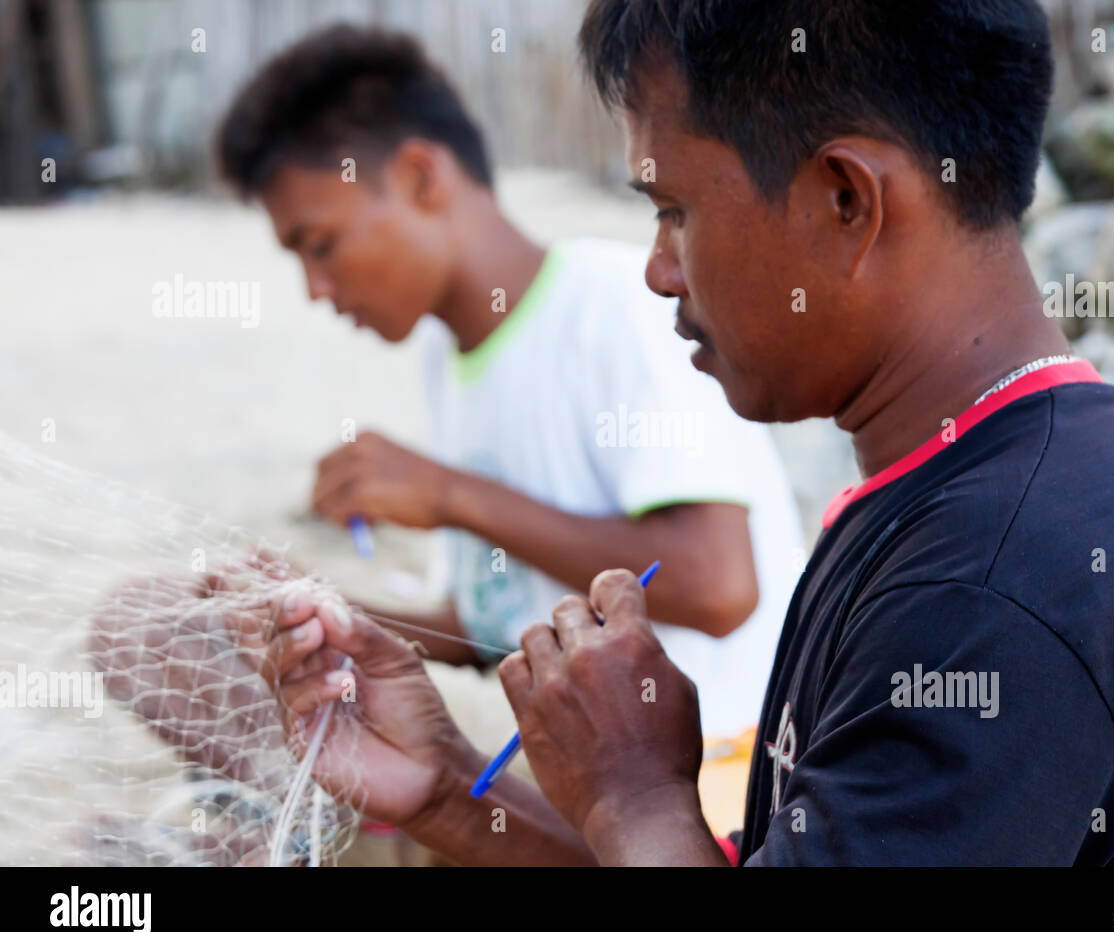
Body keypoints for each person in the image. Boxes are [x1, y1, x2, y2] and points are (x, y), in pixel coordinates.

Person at [262, 0, 1114, 865]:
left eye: (673, 208)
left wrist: (636, 792)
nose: (658, 268)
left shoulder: (988, 587)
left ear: (846, 201)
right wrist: (444, 786)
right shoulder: (999, 479)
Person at [213, 24, 804, 838]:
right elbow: (492, 619)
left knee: (147, 626)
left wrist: (453, 495)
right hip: (553, 743)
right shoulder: (450, 357)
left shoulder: (617, 304)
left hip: (701, 771)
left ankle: (282, 836)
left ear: (421, 176)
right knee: (183, 631)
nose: (316, 288)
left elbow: (718, 584)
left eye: (321, 244)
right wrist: (323, 618)